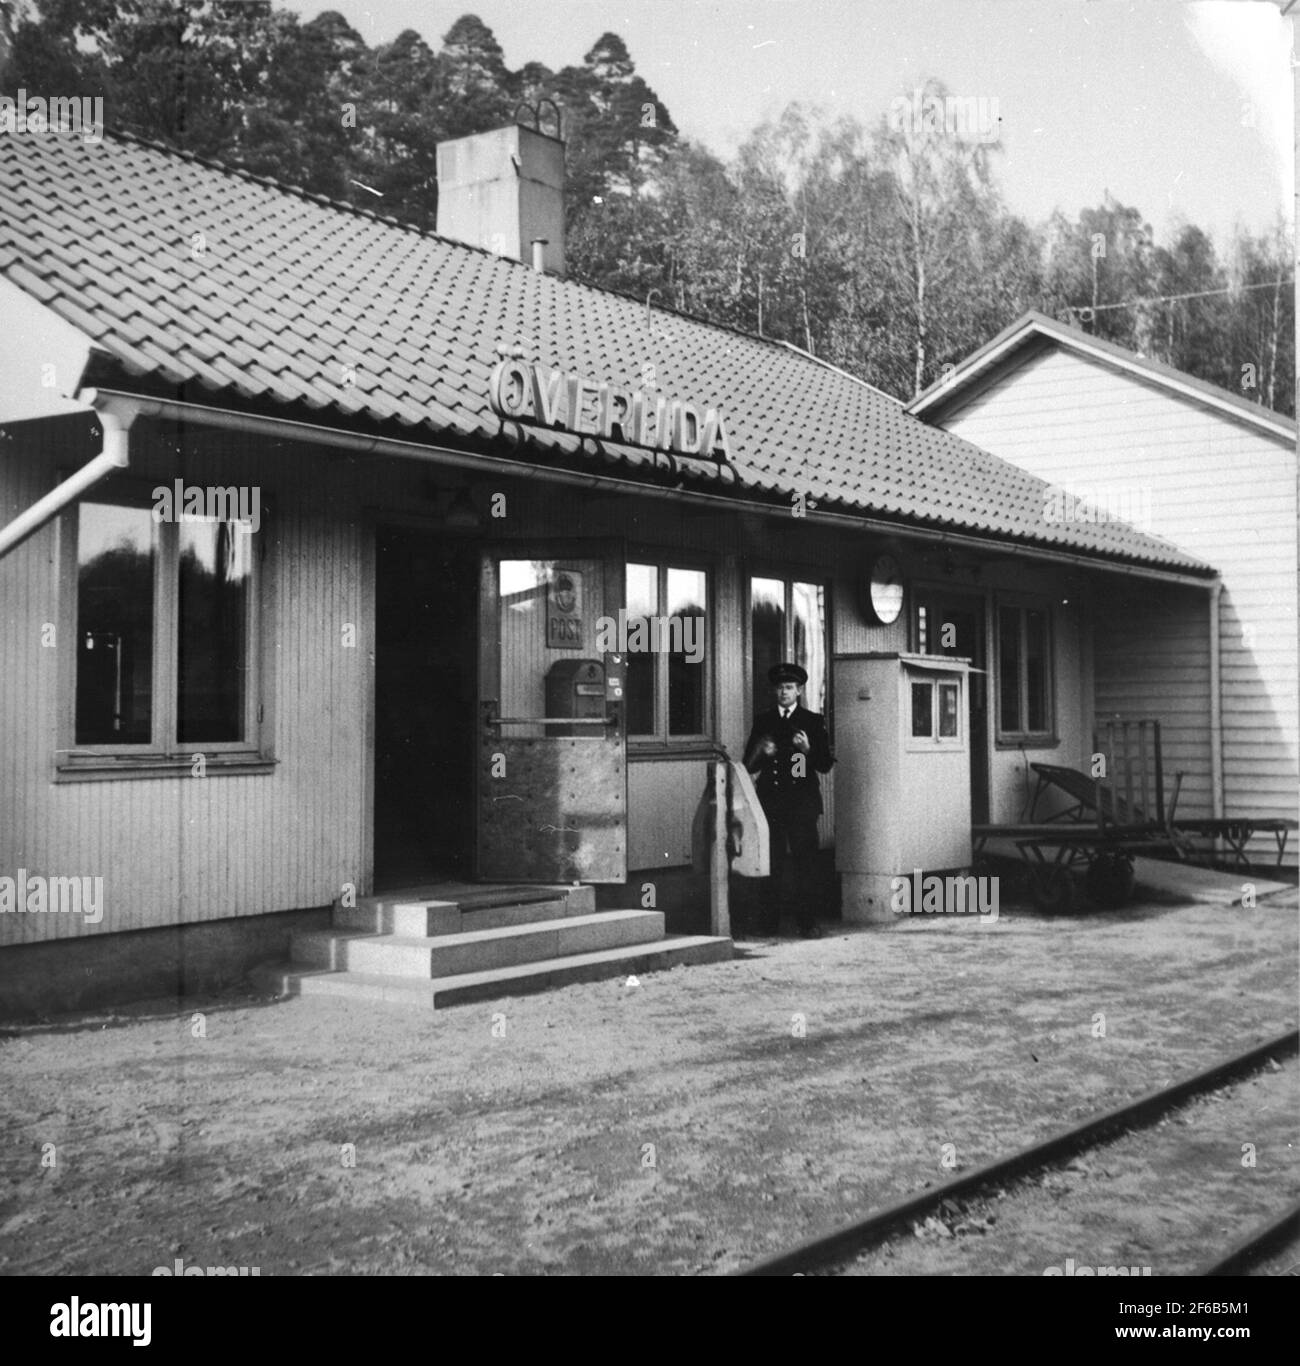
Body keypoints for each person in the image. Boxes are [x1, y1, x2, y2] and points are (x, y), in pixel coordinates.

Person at [743, 662, 835, 938]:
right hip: (771, 803)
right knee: (771, 863)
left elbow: (825, 765)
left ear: (799, 691)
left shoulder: (812, 721)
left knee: (805, 864)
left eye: (789, 688)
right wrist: (762, 750)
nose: (784, 692)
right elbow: (748, 764)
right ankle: (768, 923)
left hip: (802, 805)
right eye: (780, 688)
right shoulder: (764, 721)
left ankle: (807, 923)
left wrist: (808, 749)